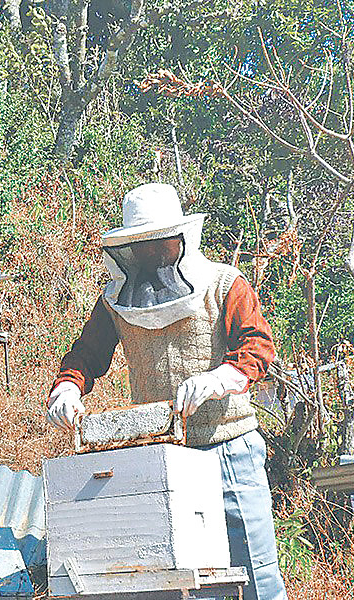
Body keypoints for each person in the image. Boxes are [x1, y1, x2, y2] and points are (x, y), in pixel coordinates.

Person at [47, 183, 287, 600]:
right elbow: (87, 353)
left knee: (256, 575)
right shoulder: (114, 302)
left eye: (161, 242)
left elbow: (257, 346)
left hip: (228, 448)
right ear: (128, 249)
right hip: (163, 455)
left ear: (181, 238)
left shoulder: (224, 283)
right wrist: (67, 387)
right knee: (188, 580)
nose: (154, 253)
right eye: (143, 245)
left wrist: (220, 377)